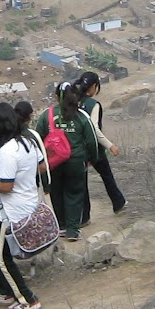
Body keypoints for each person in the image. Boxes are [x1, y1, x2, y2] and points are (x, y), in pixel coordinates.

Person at [0, 101, 42, 309]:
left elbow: (7, 186)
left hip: (11, 212)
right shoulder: (26, 142)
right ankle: (3, 290)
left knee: (0, 258)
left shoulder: (8, 151)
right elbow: (39, 167)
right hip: (23, 205)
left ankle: (27, 299)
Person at [37, 81, 99, 241]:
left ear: (56, 96)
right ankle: (72, 230)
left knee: (56, 192)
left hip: (53, 163)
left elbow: (38, 140)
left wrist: (41, 165)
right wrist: (92, 158)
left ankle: (62, 226)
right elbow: (92, 141)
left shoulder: (47, 115)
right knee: (74, 194)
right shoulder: (81, 115)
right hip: (76, 162)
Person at [75, 70, 126, 217]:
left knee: (82, 183)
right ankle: (118, 203)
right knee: (107, 176)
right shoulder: (93, 104)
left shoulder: (73, 101)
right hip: (94, 149)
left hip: (77, 148)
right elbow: (94, 130)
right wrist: (110, 146)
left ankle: (84, 216)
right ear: (94, 86)